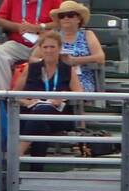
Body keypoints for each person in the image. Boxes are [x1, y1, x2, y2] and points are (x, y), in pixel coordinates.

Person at [17, 29, 82, 167]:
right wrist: (27, 101)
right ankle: (36, 170)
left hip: (58, 114)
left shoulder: (68, 69)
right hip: (32, 112)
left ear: (59, 49)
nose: (49, 50)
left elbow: (79, 93)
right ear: (40, 49)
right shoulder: (31, 68)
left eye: (52, 47)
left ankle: (18, 151)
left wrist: (62, 98)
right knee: (41, 124)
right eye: (45, 47)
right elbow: (15, 94)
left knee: (41, 113)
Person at [0, 0, 62, 90]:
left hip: (42, 43)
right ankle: (5, 94)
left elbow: (60, 22)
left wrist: (39, 27)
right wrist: (18, 27)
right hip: (18, 43)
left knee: (50, 50)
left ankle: (46, 92)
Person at [50, 1, 103, 93]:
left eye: (70, 15)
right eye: (62, 16)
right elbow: (34, 57)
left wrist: (75, 61)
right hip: (57, 77)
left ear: (78, 19)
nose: (65, 18)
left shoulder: (87, 35)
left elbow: (100, 58)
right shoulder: (54, 36)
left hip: (81, 78)